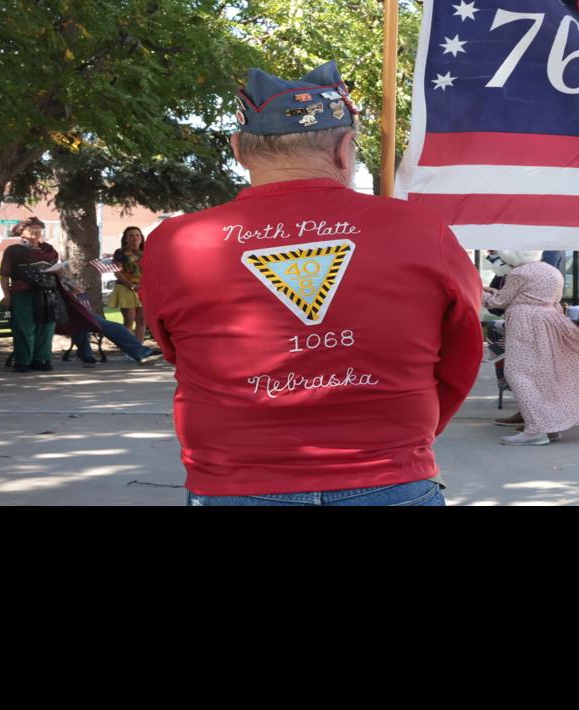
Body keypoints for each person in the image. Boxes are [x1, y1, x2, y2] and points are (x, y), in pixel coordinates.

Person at [139, 61, 482, 506]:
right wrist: (410, 434)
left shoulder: (176, 242)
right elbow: (463, 351)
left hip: (234, 482)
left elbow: (174, 347)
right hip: (389, 475)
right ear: (344, 148)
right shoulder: (421, 230)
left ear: (238, 150)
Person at [488, 251, 579, 446]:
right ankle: (550, 427)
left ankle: (536, 430)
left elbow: (498, 302)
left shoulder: (519, 273)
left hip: (525, 324)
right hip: (549, 321)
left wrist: (483, 293)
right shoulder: (551, 271)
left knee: (519, 374)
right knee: (544, 375)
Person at [0, 216, 61, 373]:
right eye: (31, 228)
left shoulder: (49, 250)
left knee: (47, 327)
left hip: (47, 293)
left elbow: (57, 271)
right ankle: (23, 361)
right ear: (21, 232)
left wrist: (59, 272)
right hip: (22, 294)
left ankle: (41, 359)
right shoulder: (13, 251)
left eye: (38, 228)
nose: (35, 230)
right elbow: (5, 275)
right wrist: (7, 295)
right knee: (24, 327)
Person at [59, 276, 161, 365]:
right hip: (63, 315)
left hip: (77, 314)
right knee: (114, 327)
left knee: (83, 324)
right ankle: (142, 353)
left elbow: (78, 293)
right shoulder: (53, 280)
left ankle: (85, 355)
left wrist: (76, 291)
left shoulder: (61, 278)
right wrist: (71, 294)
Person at [110, 226, 149, 342]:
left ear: (141, 238)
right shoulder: (120, 253)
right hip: (126, 288)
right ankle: (130, 348)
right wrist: (130, 285)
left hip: (143, 289)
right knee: (129, 321)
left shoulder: (146, 252)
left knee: (142, 320)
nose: (135, 238)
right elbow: (117, 273)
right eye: (131, 235)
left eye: (137, 235)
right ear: (126, 239)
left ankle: (139, 348)